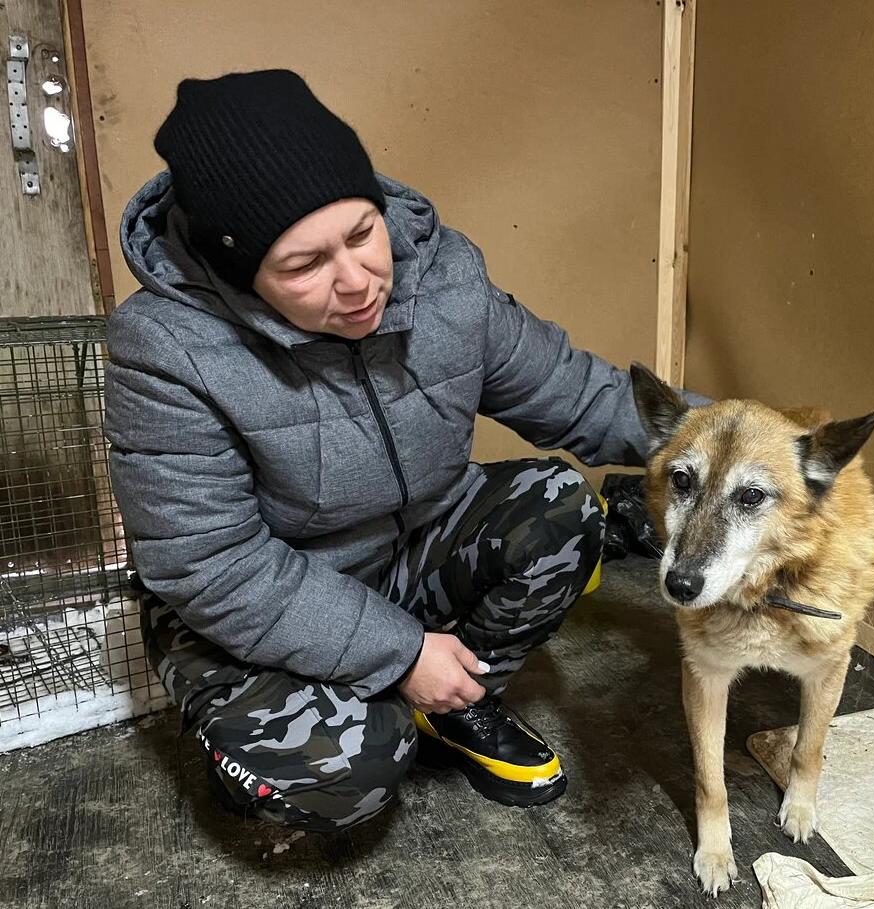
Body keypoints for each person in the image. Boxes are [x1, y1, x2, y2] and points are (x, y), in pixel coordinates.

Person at [105, 69, 678, 831]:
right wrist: (401, 653)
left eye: (362, 232)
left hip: (405, 555)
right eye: (306, 266)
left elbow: (580, 395)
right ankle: (331, 710)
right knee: (343, 772)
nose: (358, 281)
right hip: (253, 607)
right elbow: (210, 565)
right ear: (241, 271)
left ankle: (452, 702)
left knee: (563, 508)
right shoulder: (165, 348)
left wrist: (759, 447)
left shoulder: (442, 274)